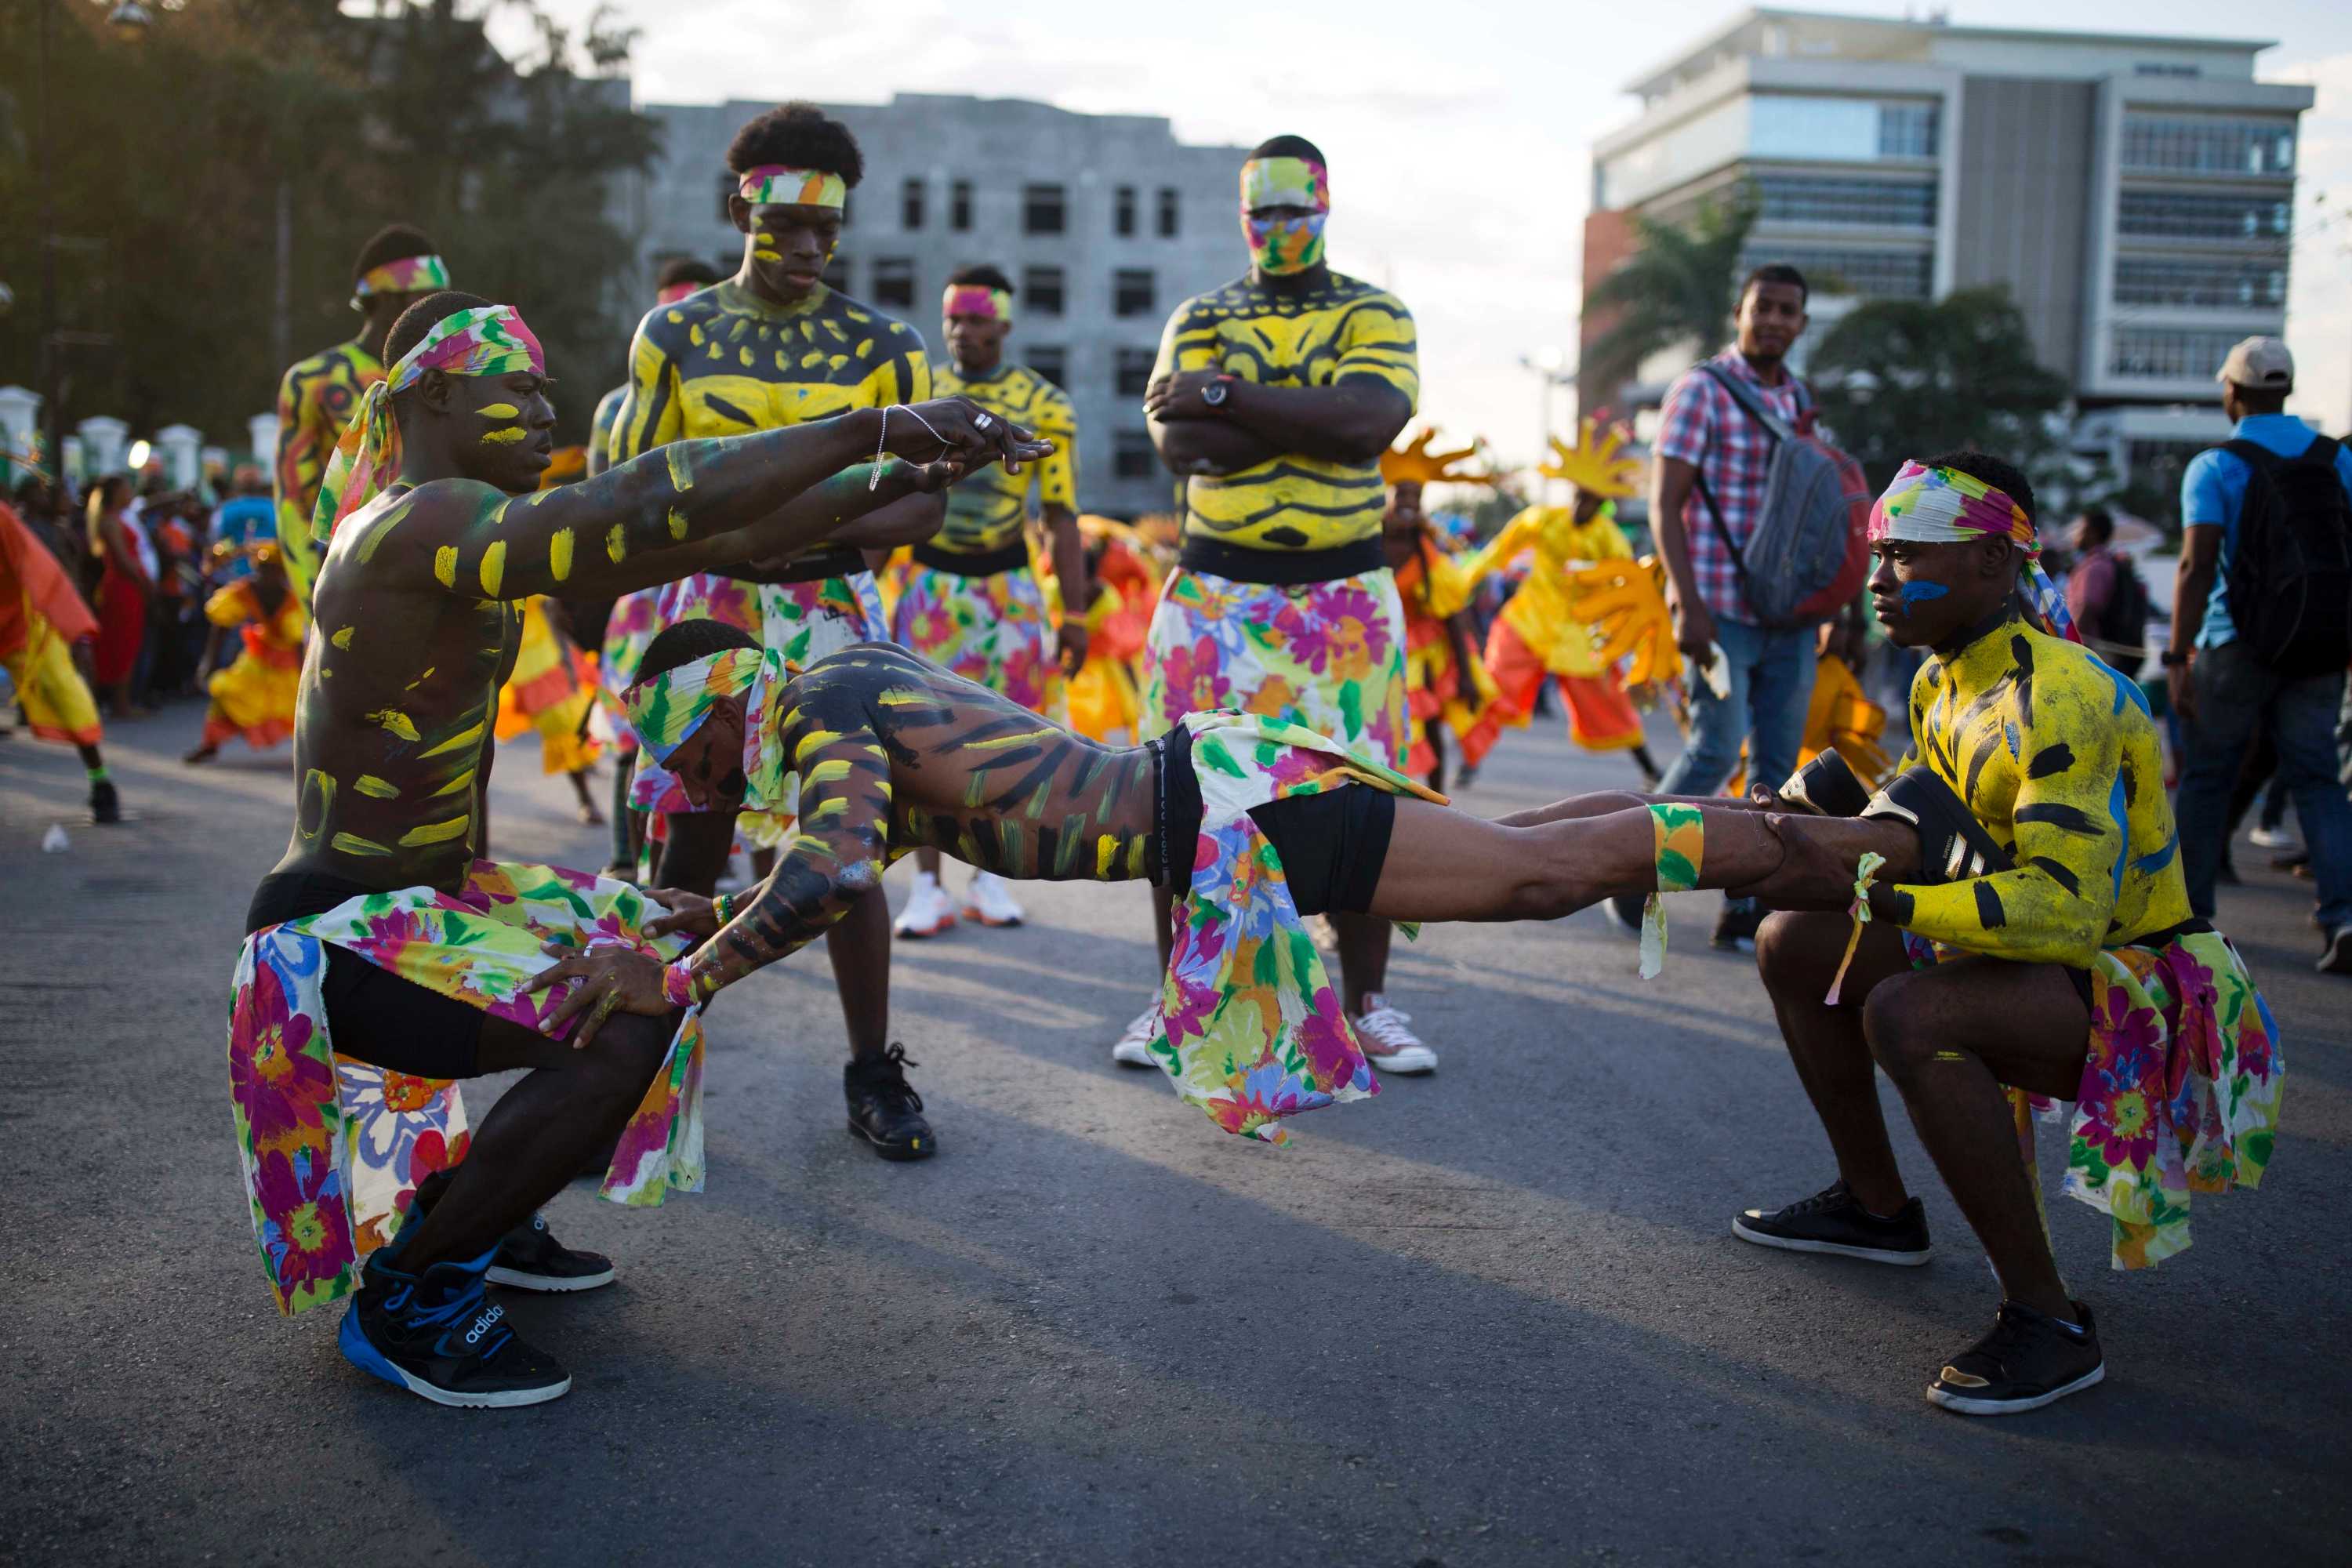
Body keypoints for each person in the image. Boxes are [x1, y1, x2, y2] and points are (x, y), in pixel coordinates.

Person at [227, 287, 1046, 1406]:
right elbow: (646, 497)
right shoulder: (417, 525)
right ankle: (413, 1296)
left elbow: (734, 536)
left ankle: (482, 1211)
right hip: (335, 929)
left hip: (428, 897)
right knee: (629, 1018)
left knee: (655, 937)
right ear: (434, 394)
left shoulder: (463, 525)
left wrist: (901, 472)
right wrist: (873, 424)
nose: (543, 407)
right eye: (518, 388)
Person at [557, 622, 1901, 1149]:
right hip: (1225, 796)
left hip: (1239, 816)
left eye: (698, 762)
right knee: (1525, 848)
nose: (706, 790)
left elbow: (829, 871)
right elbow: (829, 867)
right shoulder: (837, 684)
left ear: (723, 703)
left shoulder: (816, 706)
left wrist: (677, 978)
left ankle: (1857, 855)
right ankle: (1795, 815)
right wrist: (697, 913)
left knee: (1545, 878)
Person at [1736, 451, 2280, 1416]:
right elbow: (1943, 835)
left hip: (2137, 989)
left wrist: (1882, 899)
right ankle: (1876, 1207)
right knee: (1794, 940)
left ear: (1992, 561)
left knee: (1909, 1010)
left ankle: (2050, 1322)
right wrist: (1811, 828)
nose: (1879, 579)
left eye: (1906, 554)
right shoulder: (1939, 682)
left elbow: (2064, 911)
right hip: (2040, 957)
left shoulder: (2066, 693)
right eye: (1879, 554)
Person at [609, 101, 947, 1160]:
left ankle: (872, 1070)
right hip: (711, 613)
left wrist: (806, 528)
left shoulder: (885, 346)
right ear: (740, 213)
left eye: (825, 227)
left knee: (850, 847)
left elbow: (926, 498)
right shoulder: (675, 336)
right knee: (691, 843)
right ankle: (629, 1075)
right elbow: (632, 487)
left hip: (832, 612)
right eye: (786, 224)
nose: (807, 246)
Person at [1127, 133, 1436, 1074]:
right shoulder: (1202, 313)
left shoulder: (1374, 312)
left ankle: (1368, 1001)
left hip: (1344, 601)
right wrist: (1310, 414)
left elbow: (1370, 423)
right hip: (1213, 596)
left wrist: (1225, 393)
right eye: (1262, 210)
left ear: (1325, 206)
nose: (1278, 226)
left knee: (1366, 793)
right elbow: (1184, 446)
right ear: (1242, 214)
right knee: (1180, 796)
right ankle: (1180, 999)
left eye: (1295, 208)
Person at [1650, 263, 1860, 950]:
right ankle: (1632, 867)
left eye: (1786, 310)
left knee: (1779, 772)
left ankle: (1743, 909)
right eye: (1761, 307)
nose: (1772, 320)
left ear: (1802, 324)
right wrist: (1685, 600)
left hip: (1790, 618)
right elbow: (1665, 503)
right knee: (1714, 748)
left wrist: (1837, 611)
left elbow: (1819, 513)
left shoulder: (1800, 401)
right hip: (1718, 605)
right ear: (1738, 313)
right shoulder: (1702, 391)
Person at [892, 264, 1087, 937]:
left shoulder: (1044, 403)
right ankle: (926, 886)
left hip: (1009, 592)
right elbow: (881, 491)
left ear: (1004, 323)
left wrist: (1075, 614)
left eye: (976, 319)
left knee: (1009, 737)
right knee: (918, 737)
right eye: (953, 317)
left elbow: (1061, 515)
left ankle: (990, 876)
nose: (962, 331)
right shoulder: (920, 395)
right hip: (931, 588)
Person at [2166, 336, 2352, 975]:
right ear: (2288, 389)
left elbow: (2195, 565)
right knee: (2319, 781)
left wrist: (2177, 656)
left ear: (2233, 392)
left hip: (2234, 645)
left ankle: (2190, 923)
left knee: (2208, 777)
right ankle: (2343, 916)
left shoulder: (2216, 466)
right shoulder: (2338, 460)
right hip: (2319, 647)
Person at [588, 260, 724, 873]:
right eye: (671, 311)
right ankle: (626, 861)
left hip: (720, 585)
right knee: (636, 724)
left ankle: (709, 858)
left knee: (717, 722)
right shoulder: (617, 408)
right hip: (644, 590)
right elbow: (598, 501)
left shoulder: (730, 401)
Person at [1466, 422, 1664, 786]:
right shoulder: (1544, 519)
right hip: (1530, 622)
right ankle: (1470, 759)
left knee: (1609, 701)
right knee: (1495, 689)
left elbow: (1626, 584)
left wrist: (1629, 633)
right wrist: (1462, 583)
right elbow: (1498, 551)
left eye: (1590, 500)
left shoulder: (1609, 538)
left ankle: (1651, 770)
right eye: (1578, 495)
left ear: (1601, 503)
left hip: (1580, 634)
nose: (1580, 504)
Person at [273, 225, 452, 605]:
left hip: (440, 579)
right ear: (386, 300)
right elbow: (294, 504)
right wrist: (315, 603)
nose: (439, 314)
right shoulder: (313, 381)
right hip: (351, 582)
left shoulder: (449, 378)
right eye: (425, 299)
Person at [1378, 430, 1500, 792]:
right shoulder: (1368, 541)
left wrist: (1467, 675)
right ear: (1388, 495)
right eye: (1402, 493)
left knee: (1428, 725)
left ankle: (1437, 799)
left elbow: (1452, 616)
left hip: (1420, 653)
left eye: (1416, 496)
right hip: (1376, 648)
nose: (1409, 502)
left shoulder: (1427, 551)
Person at [1, 499, 120, 822]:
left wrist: (75, 630)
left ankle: (101, 782)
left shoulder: (2, 519)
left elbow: (38, 568)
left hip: (21, 625)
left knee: (63, 692)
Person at [183, 541, 303, 763]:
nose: (268, 575)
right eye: (264, 569)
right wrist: (209, 663)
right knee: (227, 692)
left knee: (298, 708)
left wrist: (305, 675)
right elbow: (220, 628)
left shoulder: (293, 599)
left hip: (288, 664)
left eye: (274, 569)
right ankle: (210, 743)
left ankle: (310, 754)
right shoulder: (244, 591)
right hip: (257, 658)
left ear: (282, 572)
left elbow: (298, 642)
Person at [84, 476, 151, 719]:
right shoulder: (110, 521)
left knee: (129, 641)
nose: (130, 493)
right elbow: (123, 560)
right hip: (122, 588)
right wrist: (143, 582)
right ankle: (119, 703)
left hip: (129, 587)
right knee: (121, 643)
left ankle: (123, 700)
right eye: (126, 489)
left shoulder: (120, 518)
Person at [2060, 506, 2148, 677]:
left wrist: (2070, 647)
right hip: (2109, 651)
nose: (2075, 535)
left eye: (2079, 529)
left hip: (2095, 652)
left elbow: (2086, 609)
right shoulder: (2107, 563)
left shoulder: (2094, 568)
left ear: (2092, 533)